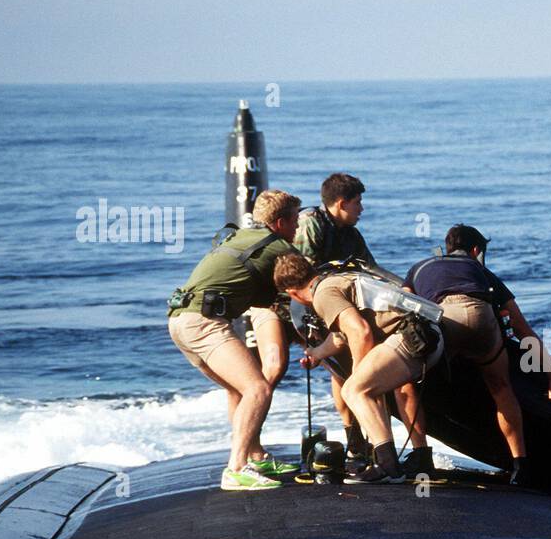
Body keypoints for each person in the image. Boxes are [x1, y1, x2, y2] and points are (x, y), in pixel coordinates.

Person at [405, 225, 551, 486]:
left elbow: (404, 305)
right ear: (475, 250)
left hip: (444, 320)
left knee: (407, 384)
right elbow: (521, 327)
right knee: (501, 388)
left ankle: (421, 457)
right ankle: (521, 465)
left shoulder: (420, 267)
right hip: (480, 316)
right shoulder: (482, 271)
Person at [166, 190, 302, 491]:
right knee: (258, 388)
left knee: (238, 389)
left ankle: (255, 456)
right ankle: (236, 468)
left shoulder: (240, 236)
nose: (298, 227)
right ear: (280, 222)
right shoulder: (278, 247)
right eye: (294, 220)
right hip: (203, 323)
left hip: (179, 320)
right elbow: (305, 284)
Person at [273, 252, 442, 483]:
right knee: (363, 389)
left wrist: (359, 374)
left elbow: (360, 331)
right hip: (425, 333)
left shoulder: (322, 294)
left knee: (353, 390)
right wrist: (317, 353)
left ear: (292, 293)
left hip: (414, 337)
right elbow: (342, 335)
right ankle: (391, 461)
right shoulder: (337, 279)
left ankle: (388, 467)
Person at [294, 173, 388, 464]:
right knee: (340, 369)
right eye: (358, 203)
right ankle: (355, 438)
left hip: (339, 303)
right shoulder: (311, 223)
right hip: (311, 306)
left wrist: (407, 288)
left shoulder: (351, 233)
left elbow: (371, 269)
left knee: (346, 369)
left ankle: (361, 439)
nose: (362, 209)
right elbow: (302, 273)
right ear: (342, 203)